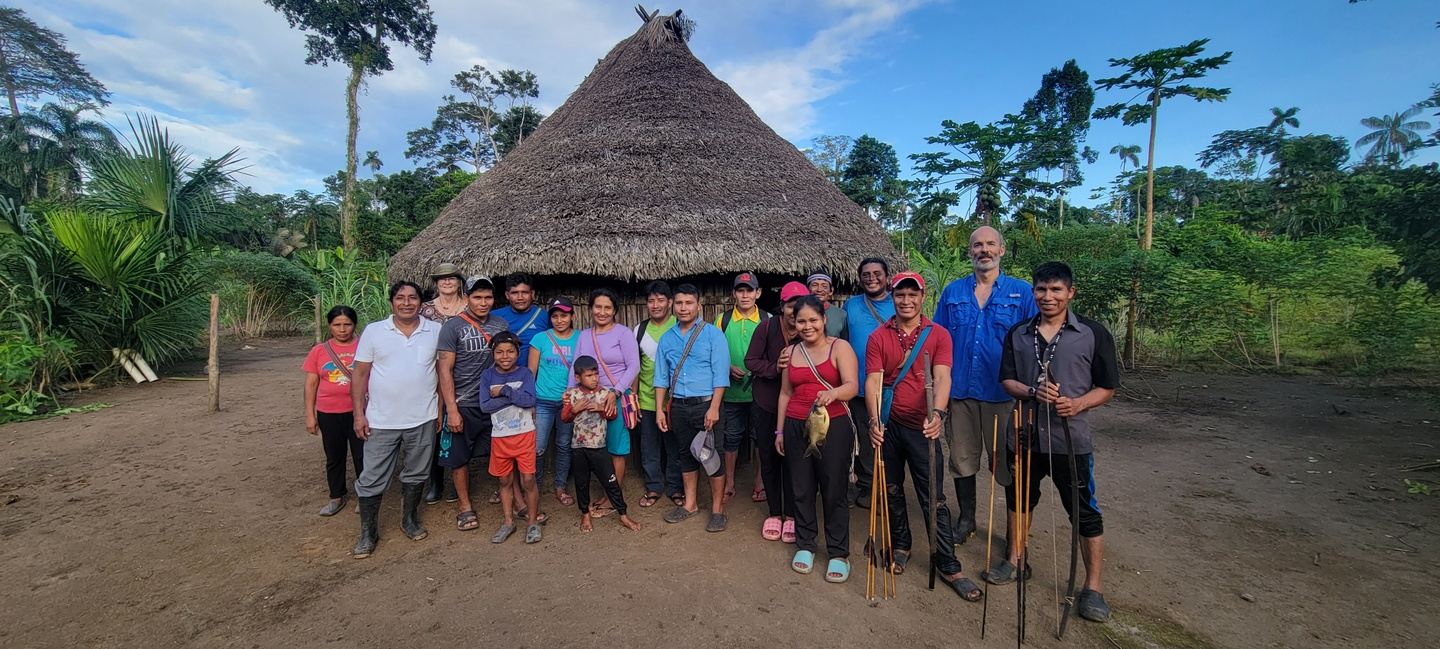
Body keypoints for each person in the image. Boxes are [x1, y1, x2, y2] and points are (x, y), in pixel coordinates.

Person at [993, 261, 1119, 623]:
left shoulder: (1092, 333)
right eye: (1041, 290)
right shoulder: (1019, 333)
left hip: (1071, 440)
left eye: (1056, 290)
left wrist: (1078, 402)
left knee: (1084, 511)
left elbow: (1107, 388)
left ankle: (1092, 587)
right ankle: (1016, 560)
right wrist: (1033, 391)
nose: (1048, 297)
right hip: (1027, 435)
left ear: (1070, 293)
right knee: (1019, 500)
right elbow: (1008, 381)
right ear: (1034, 292)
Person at [865, 271, 982, 601]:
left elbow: (942, 377)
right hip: (888, 423)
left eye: (911, 294)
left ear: (922, 296)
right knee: (891, 489)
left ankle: (947, 562)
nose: (906, 300)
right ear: (893, 296)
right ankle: (901, 544)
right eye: (900, 295)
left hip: (923, 426)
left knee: (934, 495)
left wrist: (938, 414)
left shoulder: (938, 335)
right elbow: (873, 381)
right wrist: (874, 421)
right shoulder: (878, 337)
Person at [932, 225, 1038, 543]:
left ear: (1001, 250)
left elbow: (1036, 342)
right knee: (962, 459)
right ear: (970, 252)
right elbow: (938, 339)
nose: (984, 250)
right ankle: (966, 520)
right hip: (961, 392)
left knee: (1006, 463)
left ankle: (1011, 531)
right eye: (978, 245)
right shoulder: (954, 292)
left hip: (1003, 394)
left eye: (991, 244)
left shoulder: (1022, 292)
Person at [349, 281, 442, 559]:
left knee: (416, 472)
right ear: (392, 302)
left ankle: (409, 519)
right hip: (381, 419)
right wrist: (358, 414)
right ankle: (368, 532)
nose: (406, 302)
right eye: (400, 298)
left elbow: (441, 372)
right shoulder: (374, 331)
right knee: (371, 476)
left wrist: (440, 409)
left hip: (423, 416)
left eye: (412, 298)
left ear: (420, 303)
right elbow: (360, 375)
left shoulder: (434, 331)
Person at [775, 295, 860, 582]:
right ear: (794, 323)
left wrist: (833, 393)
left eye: (813, 320)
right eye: (801, 321)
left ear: (824, 320)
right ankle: (806, 543)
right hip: (796, 424)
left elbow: (852, 385)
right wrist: (779, 430)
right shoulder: (791, 352)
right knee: (801, 486)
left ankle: (838, 552)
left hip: (833, 424)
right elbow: (785, 393)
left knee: (834, 487)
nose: (807, 326)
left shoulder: (840, 347)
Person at [654, 283, 732, 532]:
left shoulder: (713, 334)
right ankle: (690, 504)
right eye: (679, 303)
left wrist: (714, 408)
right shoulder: (667, 338)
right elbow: (660, 378)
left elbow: (721, 374)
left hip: (706, 404)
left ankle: (718, 510)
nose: (684, 308)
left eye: (689, 303)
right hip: (678, 406)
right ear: (672, 306)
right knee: (685, 455)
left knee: (712, 457)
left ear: (698, 305)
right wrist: (659, 410)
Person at [436, 276, 511, 532]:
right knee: (460, 457)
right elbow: (444, 370)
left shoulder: (500, 324)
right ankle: (464, 506)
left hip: (493, 400)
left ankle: (509, 497)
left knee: (502, 449)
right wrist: (452, 410)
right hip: (463, 402)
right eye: (477, 297)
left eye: (488, 297)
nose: (483, 302)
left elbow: (506, 360)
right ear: (466, 298)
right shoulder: (452, 327)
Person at [744, 281, 807, 543]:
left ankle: (792, 514)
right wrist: (774, 367)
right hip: (767, 402)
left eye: (801, 307)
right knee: (769, 458)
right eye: (791, 306)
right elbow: (750, 361)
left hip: (799, 406)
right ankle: (775, 511)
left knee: (796, 460)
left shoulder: (811, 329)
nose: (796, 313)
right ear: (782, 307)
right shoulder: (766, 327)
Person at [570, 288, 641, 515]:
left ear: (615, 311)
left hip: (614, 398)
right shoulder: (584, 336)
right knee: (596, 448)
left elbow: (634, 366)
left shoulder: (623, 333)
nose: (602, 312)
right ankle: (606, 492)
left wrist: (616, 392)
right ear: (591, 308)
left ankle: (613, 496)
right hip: (589, 401)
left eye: (607, 308)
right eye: (598, 307)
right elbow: (575, 367)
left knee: (616, 448)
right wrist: (569, 394)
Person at [478, 331, 545, 544]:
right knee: (504, 480)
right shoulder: (487, 376)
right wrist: (515, 398)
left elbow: (529, 401)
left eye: (509, 351)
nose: (504, 356)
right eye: (499, 352)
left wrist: (505, 391)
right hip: (500, 437)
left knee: (528, 479)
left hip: (525, 434)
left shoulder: (525, 373)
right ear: (493, 354)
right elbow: (485, 405)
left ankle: (533, 522)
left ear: (518, 353)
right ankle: (508, 522)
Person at [562, 355, 642, 533]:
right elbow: (564, 418)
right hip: (578, 448)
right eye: (589, 375)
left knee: (611, 482)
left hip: (599, 447)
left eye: (596, 374)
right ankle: (585, 514)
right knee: (582, 483)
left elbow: (613, 415)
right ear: (577, 378)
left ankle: (623, 514)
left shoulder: (605, 393)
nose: (594, 378)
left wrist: (600, 408)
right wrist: (574, 410)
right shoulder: (572, 395)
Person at [843, 257, 896, 507]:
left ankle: (890, 485)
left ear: (887, 276)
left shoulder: (899, 303)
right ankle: (867, 486)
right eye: (866, 274)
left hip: (893, 388)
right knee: (865, 438)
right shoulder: (851, 305)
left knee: (891, 438)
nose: (871, 278)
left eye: (877, 273)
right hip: (860, 386)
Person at [302, 305, 363, 517]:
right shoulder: (319, 351)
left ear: (354, 325)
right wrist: (310, 415)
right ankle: (336, 496)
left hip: (359, 412)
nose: (343, 329)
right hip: (329, 412)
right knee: (334, 456)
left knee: (362, 455)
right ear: (330, 326)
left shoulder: (364, 346)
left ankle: (364, 495)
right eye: (337, 325)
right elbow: (311, 384)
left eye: (347, 324)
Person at [715, 272, 767, 504]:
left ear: (758, 293)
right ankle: (730, 482)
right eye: (740, 290)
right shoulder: (722, 320)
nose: (745, 295)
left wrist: (760, 368)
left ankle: (760, 483)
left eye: (749, 290)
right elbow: (714, 353)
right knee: (731, 438)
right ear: (734, 293)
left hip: (760, 392)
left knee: (761, 438)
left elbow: (774, 354)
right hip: (732, 393)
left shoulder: (768, 319)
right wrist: (727, 367)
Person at [419, 262, 466, 503]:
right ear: (436, 283)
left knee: (459, 426)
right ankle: (435, 481)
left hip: (464, 374)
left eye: (452, 278)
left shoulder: (469, 307)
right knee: (436, 426)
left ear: (459, 282)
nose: (447, 282)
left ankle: (457, 481)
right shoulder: (425, 310)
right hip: (432, 374)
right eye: (442, 279)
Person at [633, 280, 681, 508]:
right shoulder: (639, 330)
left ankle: (675, 487)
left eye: (661, 300)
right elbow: (635, 367)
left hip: (676, 401)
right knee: (649, 447)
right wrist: (633, 397)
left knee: (675, 446)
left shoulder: (680, 326)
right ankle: (654, 487)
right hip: (646, 400)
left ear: (670, 302)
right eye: (651, 300)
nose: (655, 305)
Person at [529, 297, 580, 508]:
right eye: (555, 316)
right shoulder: (540, 339)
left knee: (563, 445)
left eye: (564, 315)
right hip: (542, 401)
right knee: (538, 446)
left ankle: (560, 486)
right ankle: (535, 487)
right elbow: (530, 373)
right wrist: (529, 401)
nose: (560, 320)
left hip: (568, 401)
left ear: (572, 316)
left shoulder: (580, 338)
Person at [494, 273, 550, 365]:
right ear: (507, 295)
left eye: (525, 292)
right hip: (502, 376)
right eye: (514, 293)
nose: (520, 297)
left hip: (534, 377)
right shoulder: (494, 317)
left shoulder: (544, 317)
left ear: (532, 294)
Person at [806, 272, 848, 339]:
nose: (819, 289)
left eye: (824, 286)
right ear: (807, 289)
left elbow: (844, 341)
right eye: (814, 285)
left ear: (831, 291)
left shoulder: (841, 314)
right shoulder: (801, 312)